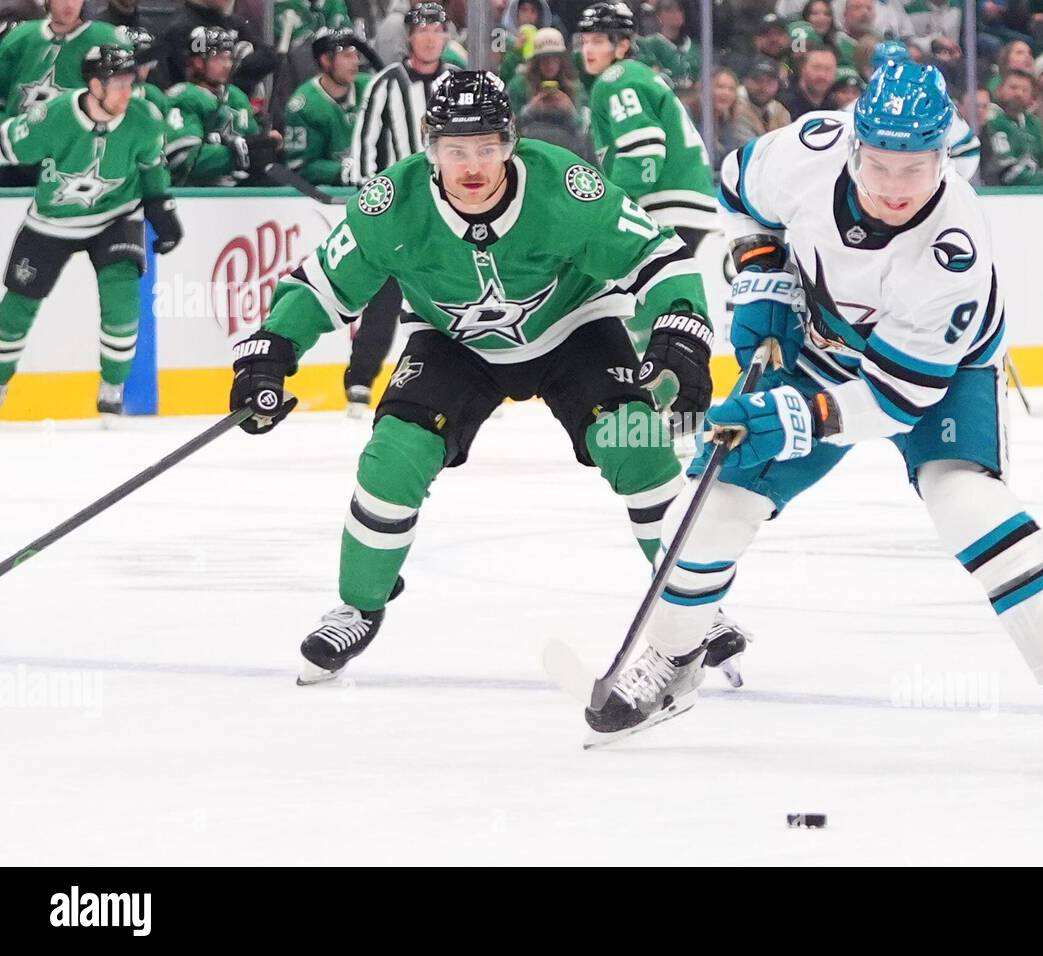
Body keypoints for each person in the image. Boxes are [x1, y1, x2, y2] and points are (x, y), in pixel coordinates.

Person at [585, 61, 1043, 782]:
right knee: (716, 501)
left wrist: (789, 414)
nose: (896, 188)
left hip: (940, 374)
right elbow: (736, 188)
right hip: (821, 338)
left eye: (918, 168)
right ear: (853, 144)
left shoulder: (954, 247)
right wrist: (761, 277)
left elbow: (895, 400)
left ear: (944, 155)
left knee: (963, 499)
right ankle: (672, 658)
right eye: (879, 164)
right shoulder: (806, 150)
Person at [227, 71, 747, 685]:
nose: (471, 166)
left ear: (511, 142)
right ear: (430, 148)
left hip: (574, 328)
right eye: (454, 150)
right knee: (395, 456)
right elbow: (321, 285)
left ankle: (692, 607)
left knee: (635, 441)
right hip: (454, 342)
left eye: (486, 148)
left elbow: (655, 255)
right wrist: (271, 349)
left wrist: (681, 331)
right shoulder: (390, 206)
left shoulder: (565, 188)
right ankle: (357, 605)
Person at [0, 44, 181, 416]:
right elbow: (9, 145)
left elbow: (151, 167)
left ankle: (113, 385)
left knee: (122, 299)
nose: (127, 93)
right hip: (50, 223)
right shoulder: (50, 115)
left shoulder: (144, 118)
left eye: (130, 82)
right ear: (95, 85)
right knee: (17, 308)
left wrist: (162, 205)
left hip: (116, 218)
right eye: (118, 84)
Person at [346, 2, 461, 415]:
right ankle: (359, 381)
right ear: (409, 37)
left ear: (445, 36)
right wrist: (370, 201)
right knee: (384, 298)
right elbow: (365, 147)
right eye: (423, 30)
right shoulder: (386, 84)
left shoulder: (459, 84)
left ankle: (476, 373)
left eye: (437, 30)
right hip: (402, 210)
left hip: (454, 210)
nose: (431, 37)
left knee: (461, 294)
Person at [578, 2, 715, 265]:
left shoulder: (619, 77)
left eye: (598, 41)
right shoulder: (635, 75)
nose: (588, 50)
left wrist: (616, 207)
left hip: (670, 212)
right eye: (585, 41)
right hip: (689, 208)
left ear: (622, 45)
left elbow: (643, 151)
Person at [163, 27, 282, 187]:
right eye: (218, 58)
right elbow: (182, 159)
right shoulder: (184, 97)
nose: (227, 65)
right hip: (195, 196)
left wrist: (267, 144)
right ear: (198, 62)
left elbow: (254, 146)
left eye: (229, 58)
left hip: (235, 193)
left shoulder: (237, 97)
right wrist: (239, 155)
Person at [873, 38, 978, 180]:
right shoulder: (867, 103)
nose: (892, 78)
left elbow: (967, 148)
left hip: (952, 165)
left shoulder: (927, 99)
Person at [0, 0, 121, 119]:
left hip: (79, 136)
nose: (69, 4)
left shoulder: (109, 40)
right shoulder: (19, 38)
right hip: (18, 135)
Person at [282, 28, 370, 187]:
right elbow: (301, 166)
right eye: (347, 56)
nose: (355, 61)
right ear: (326, 60)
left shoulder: (372, 88)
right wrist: (342, 170)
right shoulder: (303, 106)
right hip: (327, 195)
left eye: (356, 55)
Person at [152, 0, 278, 93]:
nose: (226, 65)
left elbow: (270, 57)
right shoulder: (180, 29)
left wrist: (237, 66)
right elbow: (188, 78)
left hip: (238, 108)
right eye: (219, 59)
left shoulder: (231, 22)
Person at [984, 67, 1043, 185]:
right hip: (1004, 194)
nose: (1019, 93)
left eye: (1025, 90)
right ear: (999, 90)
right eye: (1013, 88)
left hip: (1036, 189)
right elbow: (1007, 170)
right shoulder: (993, 120)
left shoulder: (1034, 123)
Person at [778, 42, 838, 119]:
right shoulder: (784, 104)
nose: (822, 75)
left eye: (828, 69)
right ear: (803, 68)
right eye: (816, 68)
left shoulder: (836, 105)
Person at [741, 57, 792, 133]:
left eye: (770, 82)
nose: (763, 87)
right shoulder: (733, 105)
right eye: (757, 80)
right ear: (745, 81)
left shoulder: (779, 109)